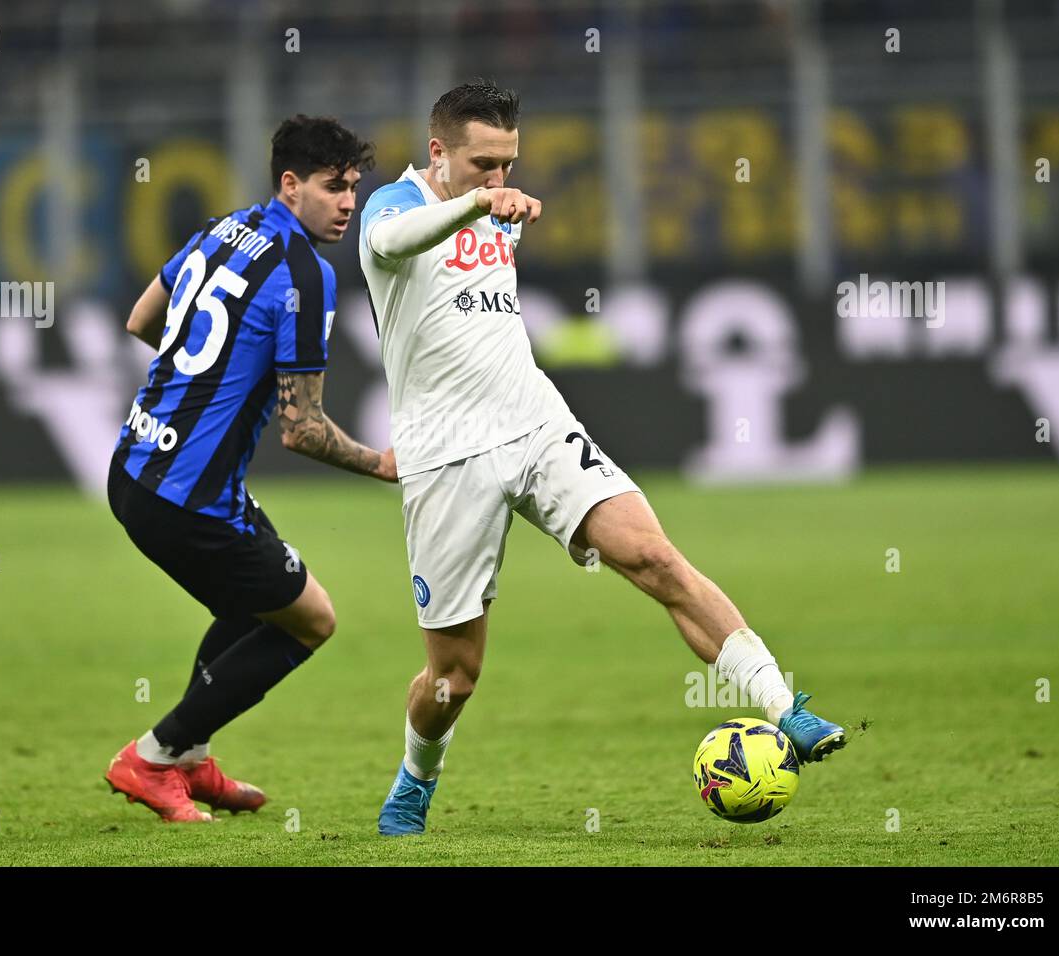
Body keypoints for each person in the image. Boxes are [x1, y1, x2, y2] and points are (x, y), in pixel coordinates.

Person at [358, 81, 845, 836]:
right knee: (455, 677)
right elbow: (391, 244)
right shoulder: (394, 207)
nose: (499, 179)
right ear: (437, 152)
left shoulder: (498, 204)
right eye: (482, 163)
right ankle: (416, 779)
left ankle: (788, 708)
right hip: (447, 456)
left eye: (508, 166)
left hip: (535, 421)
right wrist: (478, 205)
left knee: (654, 558)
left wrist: (487, 202)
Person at [105, 115, 394, 823]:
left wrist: (199, 392)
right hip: (187, 497)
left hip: (135, 467)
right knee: (312, 620)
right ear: (290, 185)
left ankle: (192, 758)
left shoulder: (223, 228)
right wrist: (384, 464)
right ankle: (154, 755)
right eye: (334, 188)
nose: (349, 203)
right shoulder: (306, 274)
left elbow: (143, 319)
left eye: (355, 187)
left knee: (249, 606)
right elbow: (303, 430)